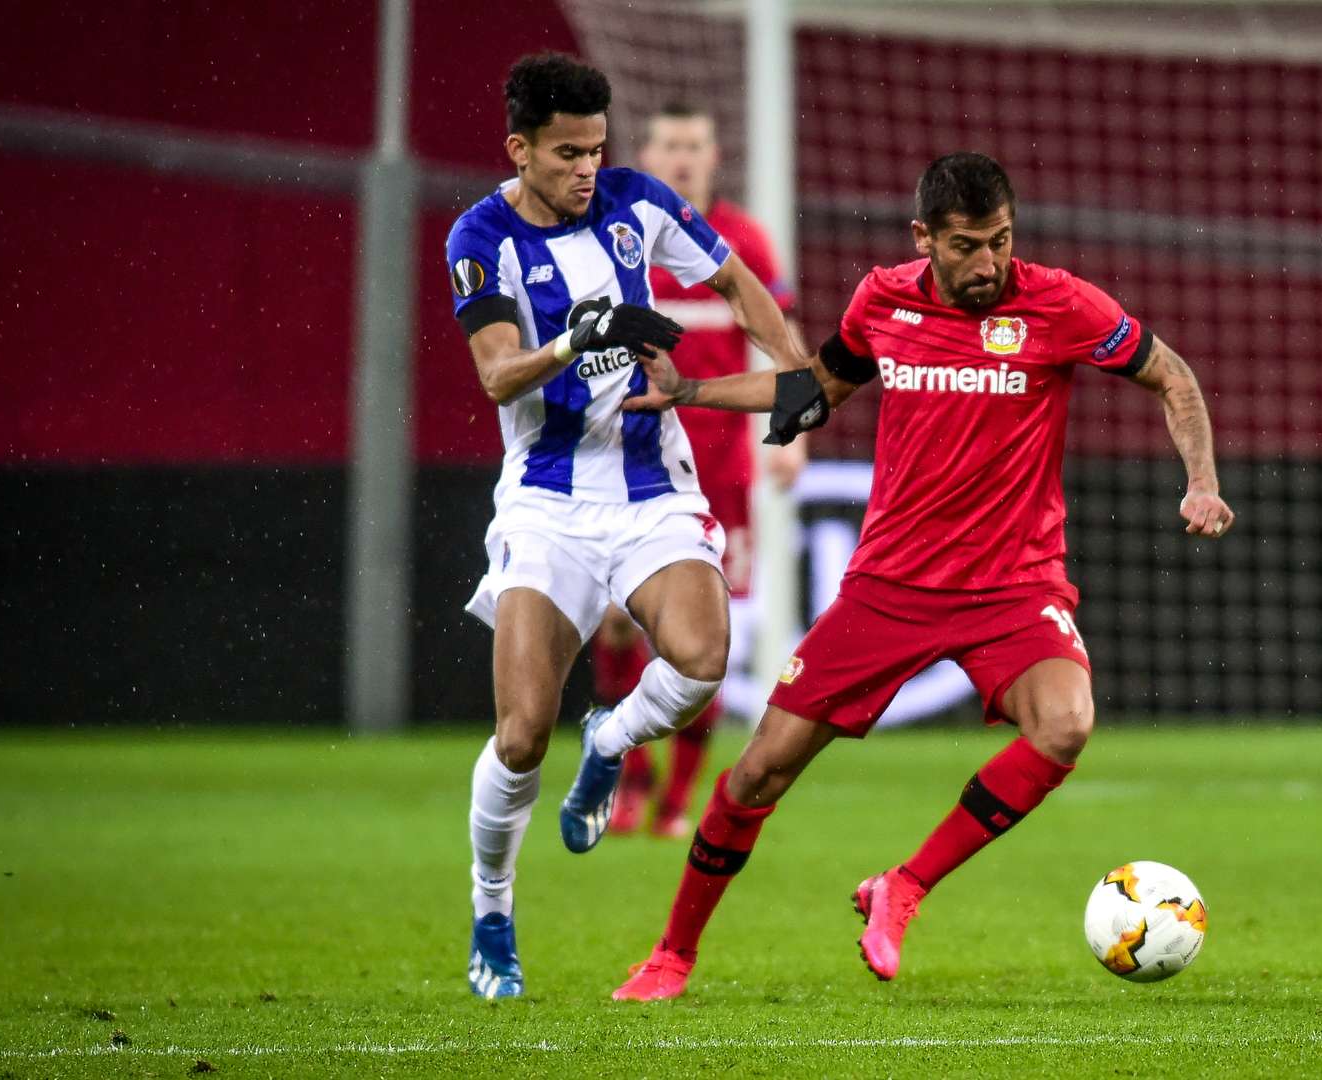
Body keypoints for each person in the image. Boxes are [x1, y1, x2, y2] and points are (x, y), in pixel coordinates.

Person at [607, 152, 1235, 1001]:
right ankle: (671, 954)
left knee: (1065, 726)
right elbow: (817, 388)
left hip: (1014, 589)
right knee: (759, 773)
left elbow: (1174, 375)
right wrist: (691, 389)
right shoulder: (884, 299)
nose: (988, 264)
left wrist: (1201, 479)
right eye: (968, 246)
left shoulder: (1058, 302)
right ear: (924, 239)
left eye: (1001, 242)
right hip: (889, 587)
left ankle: (902, 887)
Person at [445, 52, 808, 1000]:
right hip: (548, 502)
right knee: (522, 735)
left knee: (701, 662)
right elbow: (495, 371)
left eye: (597, 150)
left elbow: (736, 283)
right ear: (520, 149)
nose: (586, 170)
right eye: (567, 154)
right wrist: (577, 337)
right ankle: (492, 910)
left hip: (652, 488)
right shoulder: (479, 235)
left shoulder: (638, 202)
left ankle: (610, 741)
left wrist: (802, 373)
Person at [590, 102, 806, 840]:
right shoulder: (618, 240)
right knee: (619, 624)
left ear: (714, 158)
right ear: (646, 155)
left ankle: (677, 801)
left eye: (694, 145)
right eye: (669, 144)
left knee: (705, 643)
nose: (682, 157)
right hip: (630, 462)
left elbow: (777, 328)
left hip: (720, 471)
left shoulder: (740, 242)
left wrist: (793, 431)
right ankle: (630, 783)